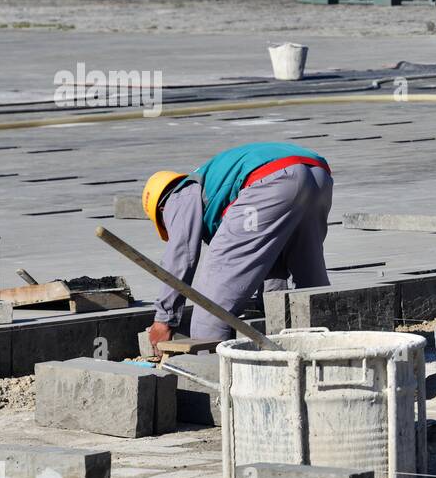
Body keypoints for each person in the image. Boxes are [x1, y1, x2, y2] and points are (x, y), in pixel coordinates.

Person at [141, 142, 333, 346]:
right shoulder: (215, 184)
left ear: (161, 210)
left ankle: (210, 365)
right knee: (311, 284)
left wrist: (164, 319)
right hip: (317, 174)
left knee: (210, 306)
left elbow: (181, 253)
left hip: (271, 179)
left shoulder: (178, 195)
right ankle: (327, 350)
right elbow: (268, 263)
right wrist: (268, 310)